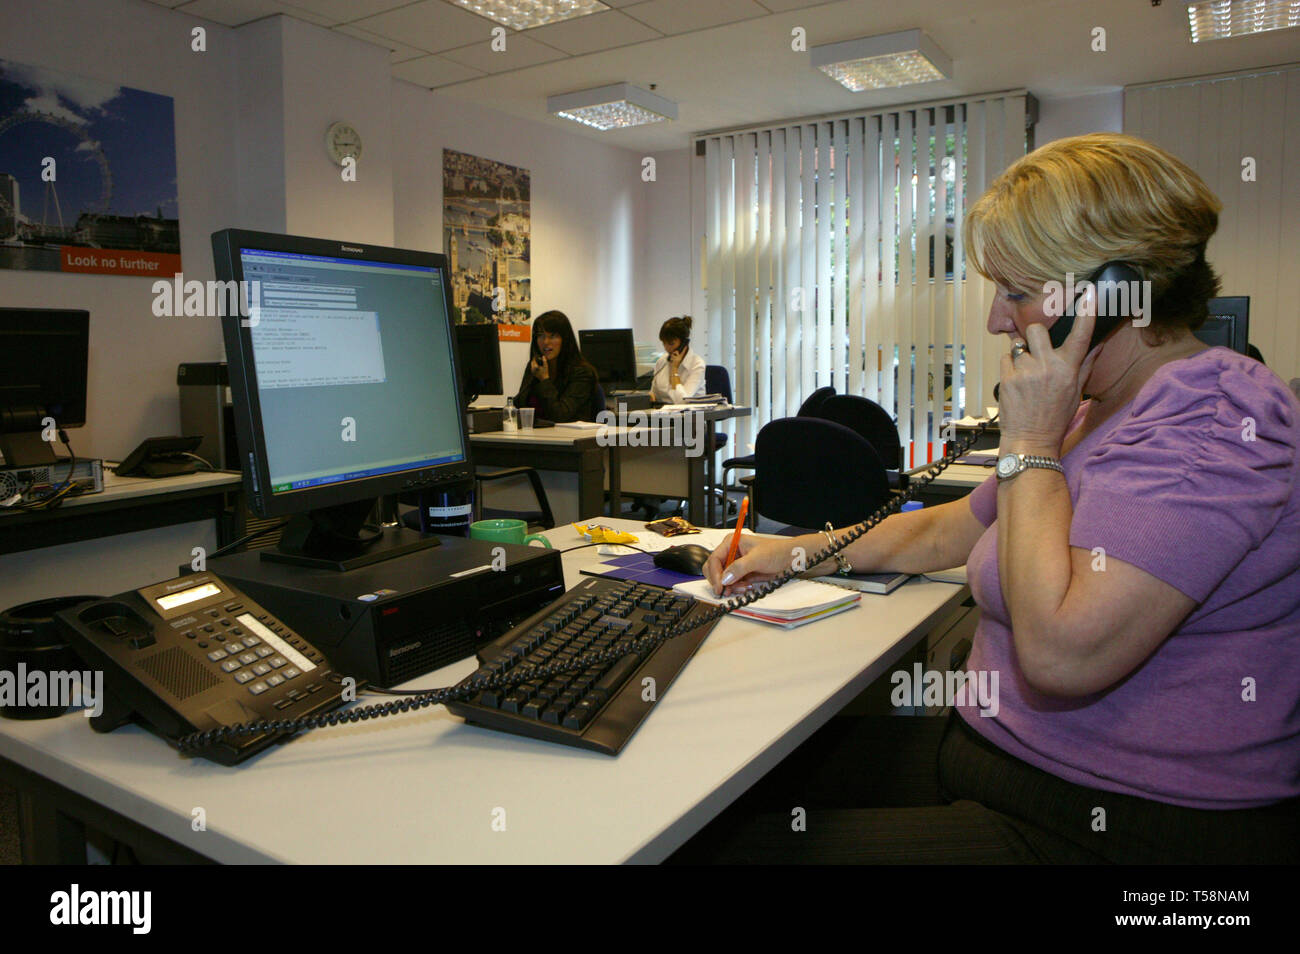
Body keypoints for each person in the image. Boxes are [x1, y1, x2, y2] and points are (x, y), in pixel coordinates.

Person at [674, 132, 1300, 864]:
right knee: (728, 793)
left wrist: (1030, 442)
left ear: (1108, 293)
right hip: (1001, 756)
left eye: (1017, 293)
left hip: (1120, 823)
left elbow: (1063, 657)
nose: (998, 321)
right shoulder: (1100, 406)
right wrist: (790, 551)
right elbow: (948, 532)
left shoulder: (1213, 423)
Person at [513, 310, 600, 422]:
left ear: (565, 339)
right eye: (540, 336)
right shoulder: (536, 367)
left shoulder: (582, 373)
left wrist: (544, 380)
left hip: (569, 436)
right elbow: (520, 406)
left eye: (553, 336)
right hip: (536, 435)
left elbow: (560, 415)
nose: (546, 342)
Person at [650, 315, 706, 404]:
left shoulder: (697, 365)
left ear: (684, 342)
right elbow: (654, 395)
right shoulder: (662, 362)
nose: (667, 348)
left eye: (671, 343)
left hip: (691, 416)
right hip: (663, 415)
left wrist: (674, 369)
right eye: (664, 343)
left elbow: (682, 402)